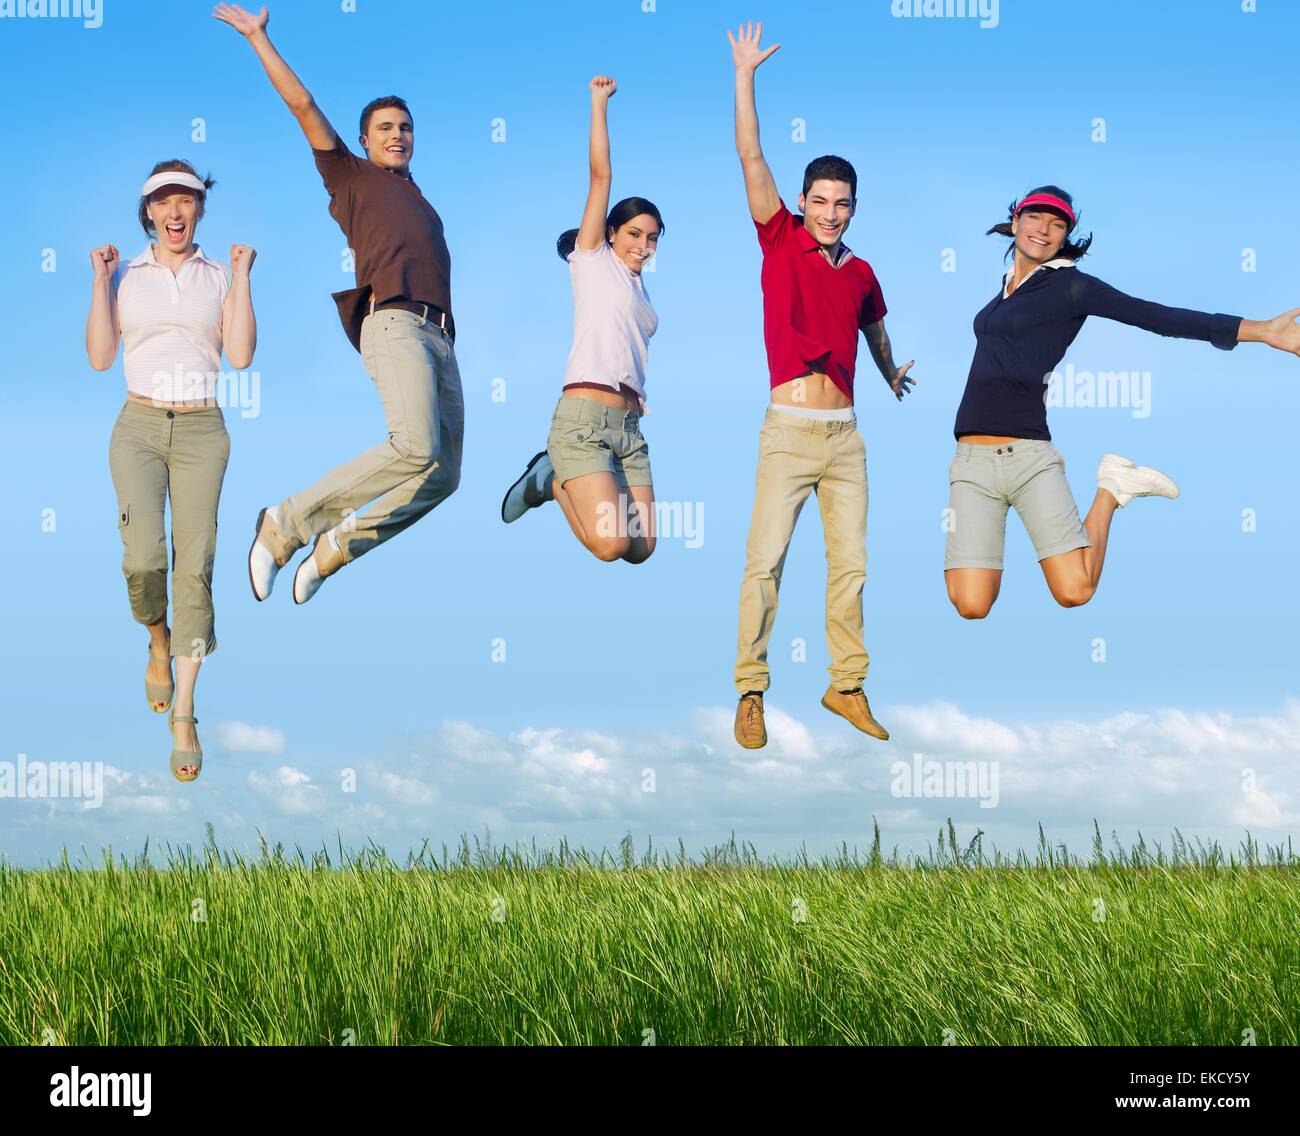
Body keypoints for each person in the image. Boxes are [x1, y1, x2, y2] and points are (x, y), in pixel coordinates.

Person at [944, 185, 1300, 620]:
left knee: (1075, 590)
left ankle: (1112, 490)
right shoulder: (1005, 292)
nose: (1045, 229)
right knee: (971, 604)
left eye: (1058, 224)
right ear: (1016, 221)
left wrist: (1260, 330)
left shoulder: (1071, 287)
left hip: (1028, 455)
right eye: (1036, 217)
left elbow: (1158, 316)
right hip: (971, 462)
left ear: (1065, 236)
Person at [215, 3, 463, 605]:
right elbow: (303, 106)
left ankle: (336, 546)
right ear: (362, 141)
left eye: (405, 127)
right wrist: (259, 39)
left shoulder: (420, 198)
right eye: (385, 128)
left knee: (443, 474)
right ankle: (285, 524)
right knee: (414, 447)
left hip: (442, 339)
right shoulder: (349, 177)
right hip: (394, 321)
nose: (397, 135)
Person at [727, 23, 916, 751]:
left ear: (854, 209)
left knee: (853, 567)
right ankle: (750, 690)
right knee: (765, 562)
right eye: (821, 199)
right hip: (789, 431)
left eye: (843, 203)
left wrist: (891, 371)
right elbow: (750, 153)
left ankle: (846, 684)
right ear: (803, 200)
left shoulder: (863, 271)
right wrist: (745, 75)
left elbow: (873, 330)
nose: (831, 212)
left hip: (846, 438)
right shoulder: (779, 237)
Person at [86, 160, 257, 781]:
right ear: (150, 213)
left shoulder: (218, 275)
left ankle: (184, 709)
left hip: (202, 430)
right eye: (164, 202)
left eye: (186, 199)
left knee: (197, 565)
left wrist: (241, 277)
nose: (176, 211)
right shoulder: (127, 274)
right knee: (143, 560)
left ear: (199, 208)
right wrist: (100, 282)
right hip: (137, 426)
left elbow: (239, 355)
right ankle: (156, 641)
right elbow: (102, 359)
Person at [500, 76, 661, 564]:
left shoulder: (641, 290)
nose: (643, 246)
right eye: (634, 234)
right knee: (611, 544)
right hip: (584, 423)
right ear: (610, 233)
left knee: (642, 548)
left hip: (628, 429)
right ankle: (549, 477)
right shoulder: (591, 261)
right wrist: (598, 104)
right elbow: (600, 177)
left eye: (653, 238)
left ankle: (559, 476)